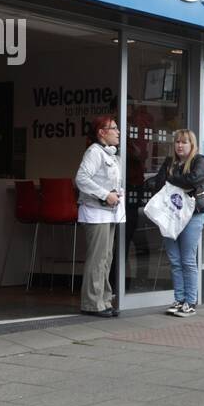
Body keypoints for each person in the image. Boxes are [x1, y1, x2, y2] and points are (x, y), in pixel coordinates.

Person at [148, 129, 204, 318]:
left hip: (193, 216)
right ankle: (179, 299)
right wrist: (179, 182)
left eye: (184, 142)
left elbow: (194, 179)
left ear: (192, 145)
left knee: (188, 260)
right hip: (170, 216)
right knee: (174, 261)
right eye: (177, 142)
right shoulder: (169, 162)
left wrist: (171, 179)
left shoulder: (200, 160)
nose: (180, 145)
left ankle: (190, 302)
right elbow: (158, 184)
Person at [76, 114, 125, 317]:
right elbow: (81, 178)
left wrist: (115, 194)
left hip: (109, 213)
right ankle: (91, 303)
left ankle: (104, 300)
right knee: (97, 259)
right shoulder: (94, 152)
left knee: (106, 258)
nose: (118, 132)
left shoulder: (111, 155)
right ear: (102, 133)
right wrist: (105, 195)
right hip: (96, 213)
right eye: (114, 128)